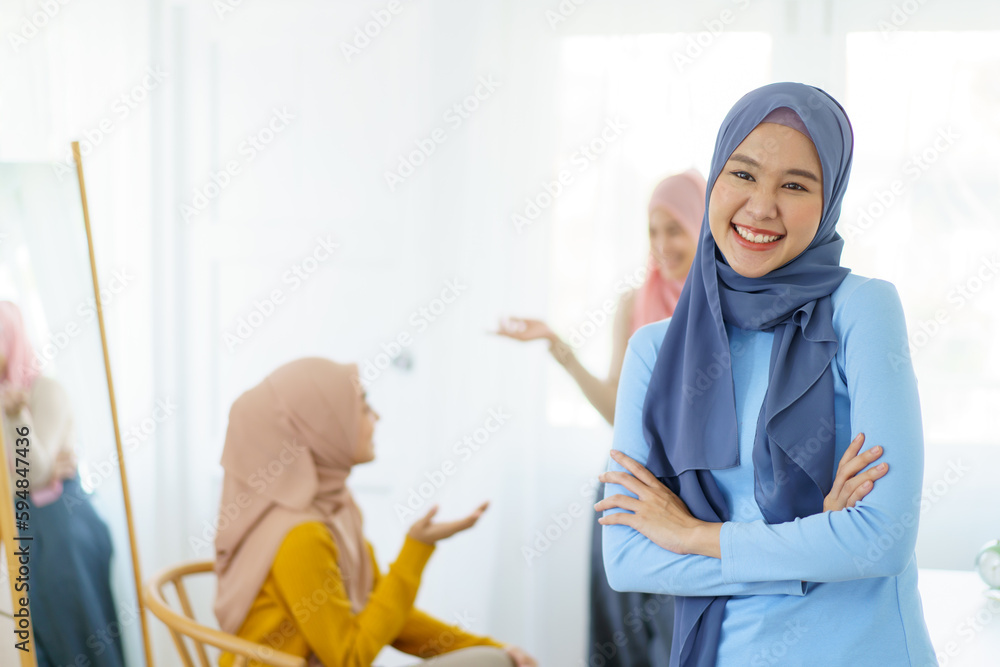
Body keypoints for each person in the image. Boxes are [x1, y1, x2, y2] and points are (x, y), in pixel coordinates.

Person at [597, 82, 936, 666]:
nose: (760, 207)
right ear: (715, 181)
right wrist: (816, 546)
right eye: (743, 174)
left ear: (830, 199)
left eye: (795, 185)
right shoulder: (654, 350)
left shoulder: (862, 310)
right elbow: (627, 560)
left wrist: (693, 536)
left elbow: (881, 538)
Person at [497, 170, 705, 666]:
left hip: (693, 499)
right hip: (625, 490)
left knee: (680, 638)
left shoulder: (723, 305)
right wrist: (559, 347)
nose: (661, 245)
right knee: (619, 639)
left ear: (703, 226)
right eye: (652, 231)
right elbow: (617, 410)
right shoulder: (633, 303)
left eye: (674, 229)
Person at [213, 357, 536, 667]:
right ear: (322, 429)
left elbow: (382, 610)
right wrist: (416, 549)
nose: (376, 417)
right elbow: (349, 659)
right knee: (493, 664)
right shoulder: (301, 535)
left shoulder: (336, 508)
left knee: (494, 660)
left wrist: (493, 647)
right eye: (363, 407)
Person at [0, 300, 124, 667]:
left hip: (62, 532)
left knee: (83, 641)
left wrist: (17, 416)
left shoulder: (45, 391)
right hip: (23, 532)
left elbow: (32, 472)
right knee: (41, 648)